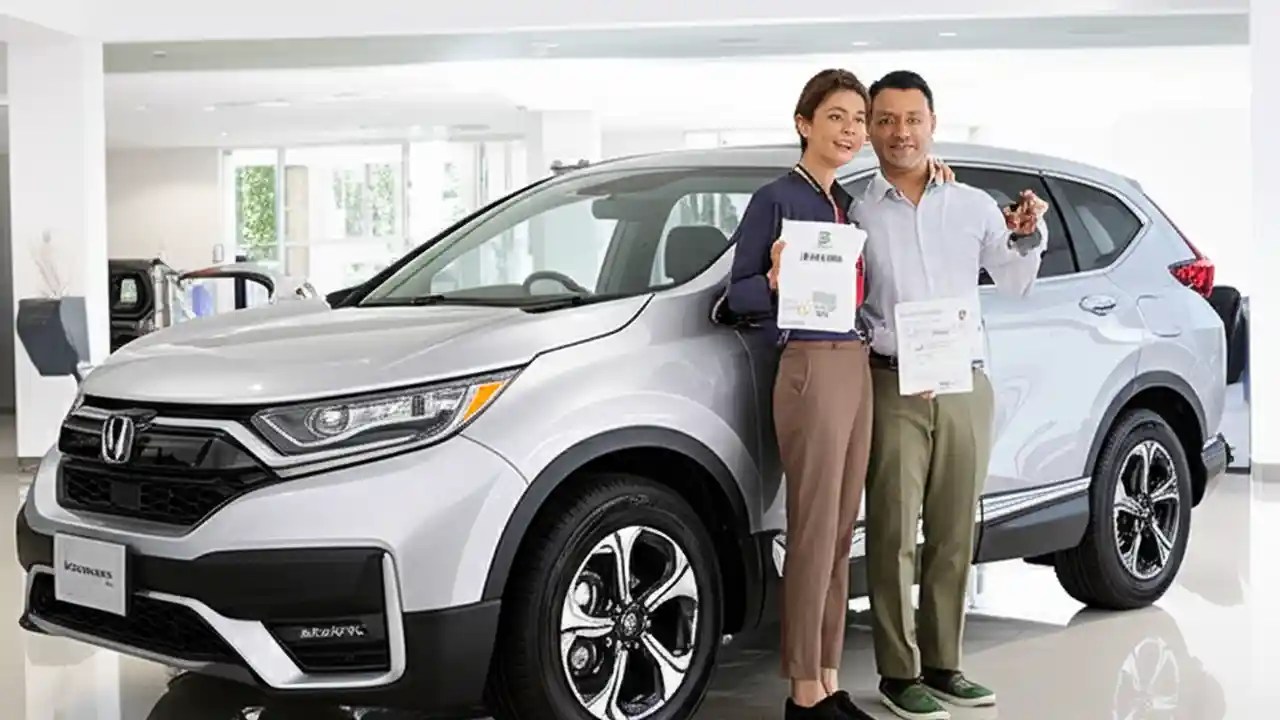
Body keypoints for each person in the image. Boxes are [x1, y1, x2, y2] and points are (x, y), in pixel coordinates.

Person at [725, 68, 952, 720]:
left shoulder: (844, 206)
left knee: (838, 532)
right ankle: (801, 692)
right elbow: (736, 296)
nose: (852, 130)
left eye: (859, 119)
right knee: (813, 529)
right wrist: (769, 279)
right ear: (804, 124)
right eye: (837, 118)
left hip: (853, 362)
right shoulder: (775, 198)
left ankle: (826, 678)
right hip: (810, 366)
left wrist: (939, 178)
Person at [854, 70, 1048, 720]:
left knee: (953, 531)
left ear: (931, 124)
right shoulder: (856, 209)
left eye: (912, 119)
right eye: (885, 119)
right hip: (892, 383)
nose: (899, 132)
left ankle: (944, 664)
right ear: (871, 128)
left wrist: (1025, 232)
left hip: (964, 382)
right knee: (890, 531)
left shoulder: (969, 206)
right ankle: (898, 670)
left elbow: (1015, 279)